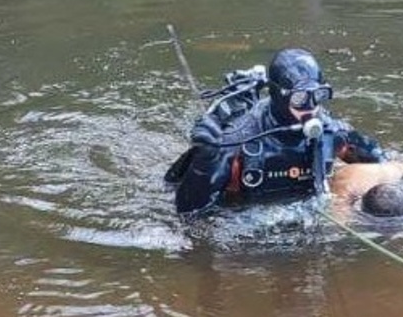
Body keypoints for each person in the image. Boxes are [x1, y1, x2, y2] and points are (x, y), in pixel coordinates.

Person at [166, 47, 390, 216]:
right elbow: (189, 211)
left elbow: (380, 161)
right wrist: (206, 162)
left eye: (319, 95)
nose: (312, 107)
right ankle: (241, 89)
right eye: (300, 99)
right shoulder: (236, 144)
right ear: (279, 96)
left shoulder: (332, 134)